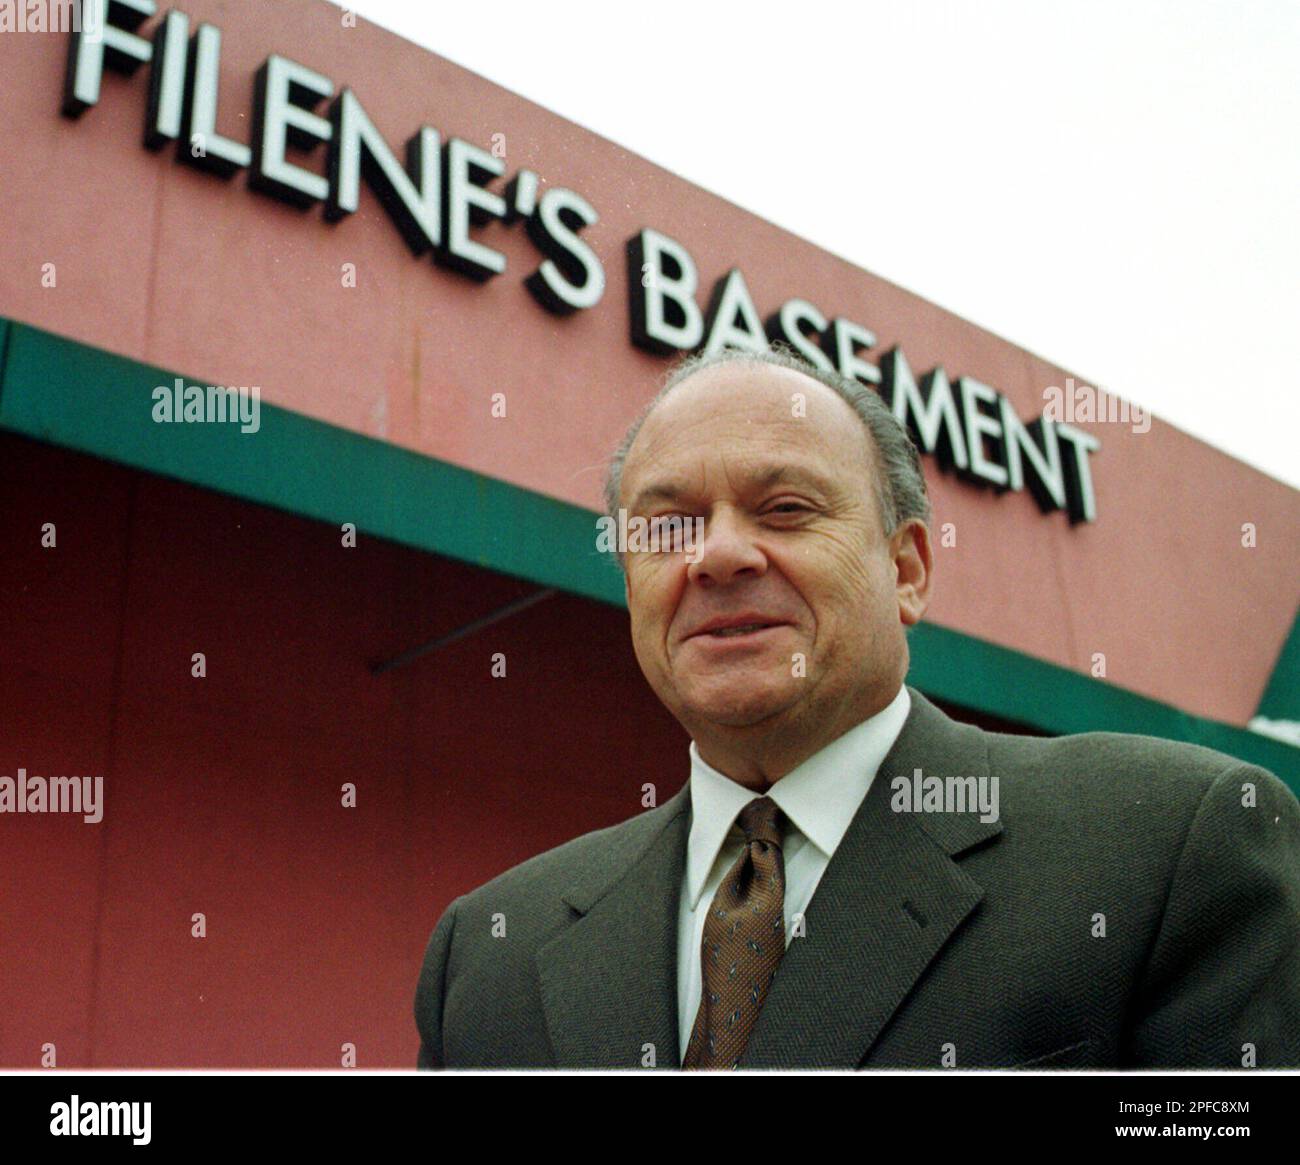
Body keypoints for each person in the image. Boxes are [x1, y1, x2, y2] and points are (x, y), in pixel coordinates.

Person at [414, 345, 1300, 1070]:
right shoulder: (487, 954)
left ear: (907, 568)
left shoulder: (1167, 848)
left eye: (786, 508)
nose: (717, 555)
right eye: (668, 525)